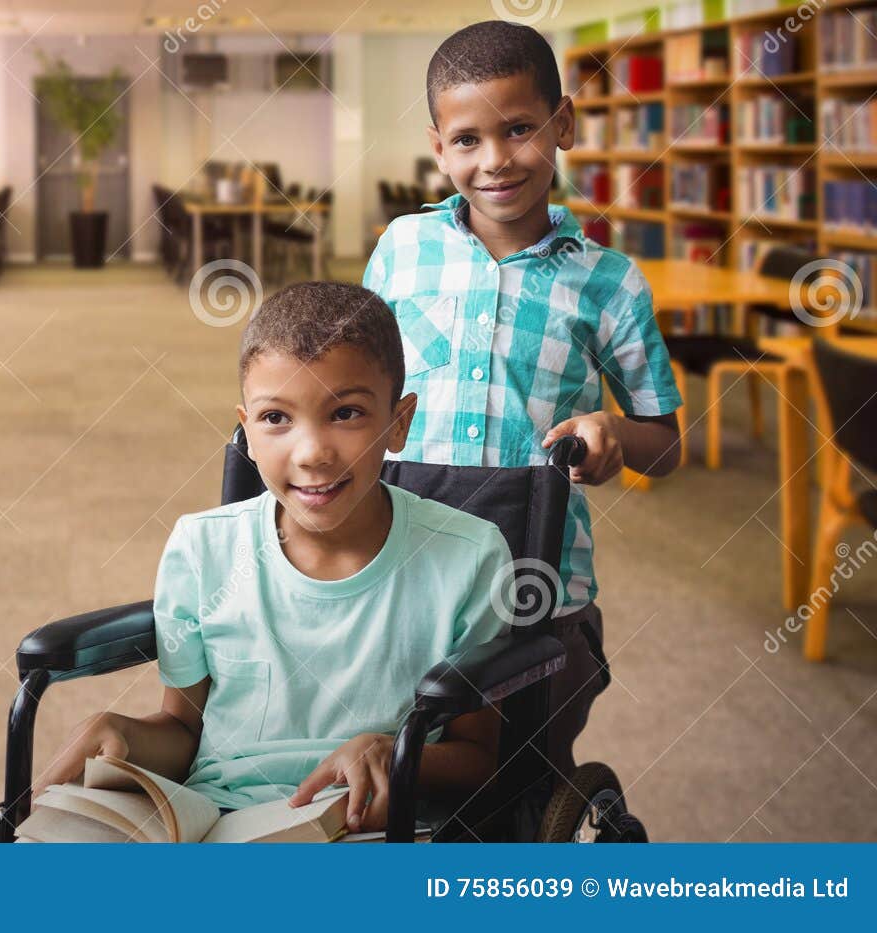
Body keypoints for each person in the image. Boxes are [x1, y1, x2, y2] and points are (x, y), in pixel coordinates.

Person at [34, 282, 514, 833]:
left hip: (365, 826)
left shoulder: (468, 556)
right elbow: (182, 730)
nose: (311, 453)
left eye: (347, 413)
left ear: (399, 422)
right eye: (276, 419)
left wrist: (395, 754)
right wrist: (121, 734)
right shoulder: (202, 548)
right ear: (247, 429)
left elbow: (480, 759)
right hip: (215, 817)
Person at [364, 20, 683, 774]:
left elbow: (665, 441)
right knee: (393, 769)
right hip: (403, 568)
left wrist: (612, 430)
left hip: (538, 585)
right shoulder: (402, 251)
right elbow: (356, 390)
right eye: (468, 140)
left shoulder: (608, 282)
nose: (496, 160)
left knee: (517, 776)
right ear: (438, 147)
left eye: (518, 130)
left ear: (562, 123)